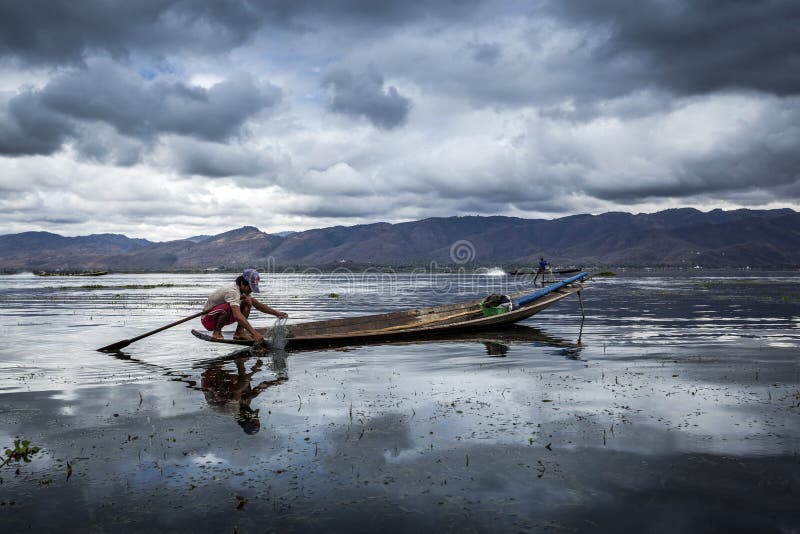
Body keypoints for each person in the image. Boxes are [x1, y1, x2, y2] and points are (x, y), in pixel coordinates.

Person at [201, 268, 287, 343]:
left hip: (220, 317)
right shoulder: (233, 291)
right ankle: (217, 332)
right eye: (250, 288)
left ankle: (239, 332)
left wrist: (277, 313)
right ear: (242, 283)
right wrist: (254, 333)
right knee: (228, 307)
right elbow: (237, 315)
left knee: (248, 301)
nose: (251, 291)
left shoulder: (243, 292)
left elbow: (259, 305)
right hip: (208, 320)